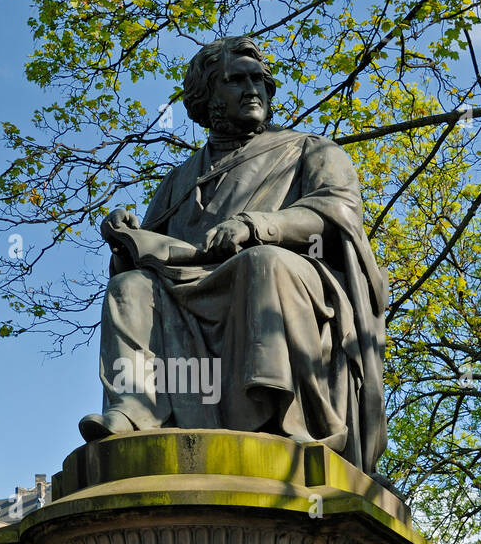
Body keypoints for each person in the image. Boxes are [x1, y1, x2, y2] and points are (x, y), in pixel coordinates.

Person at [78, 35, 389, 474]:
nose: (253, 89)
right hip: (193, 289)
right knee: (128, 287)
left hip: (285, 279)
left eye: (259, 80)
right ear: (207, 96)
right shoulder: (179, 180)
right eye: (236, 80)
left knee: (260, 262)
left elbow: (336, 212)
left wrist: (258, 226)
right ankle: (134, 410)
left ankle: (272, 419)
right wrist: (126, 238)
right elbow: (149, 254)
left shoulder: (309, 150)